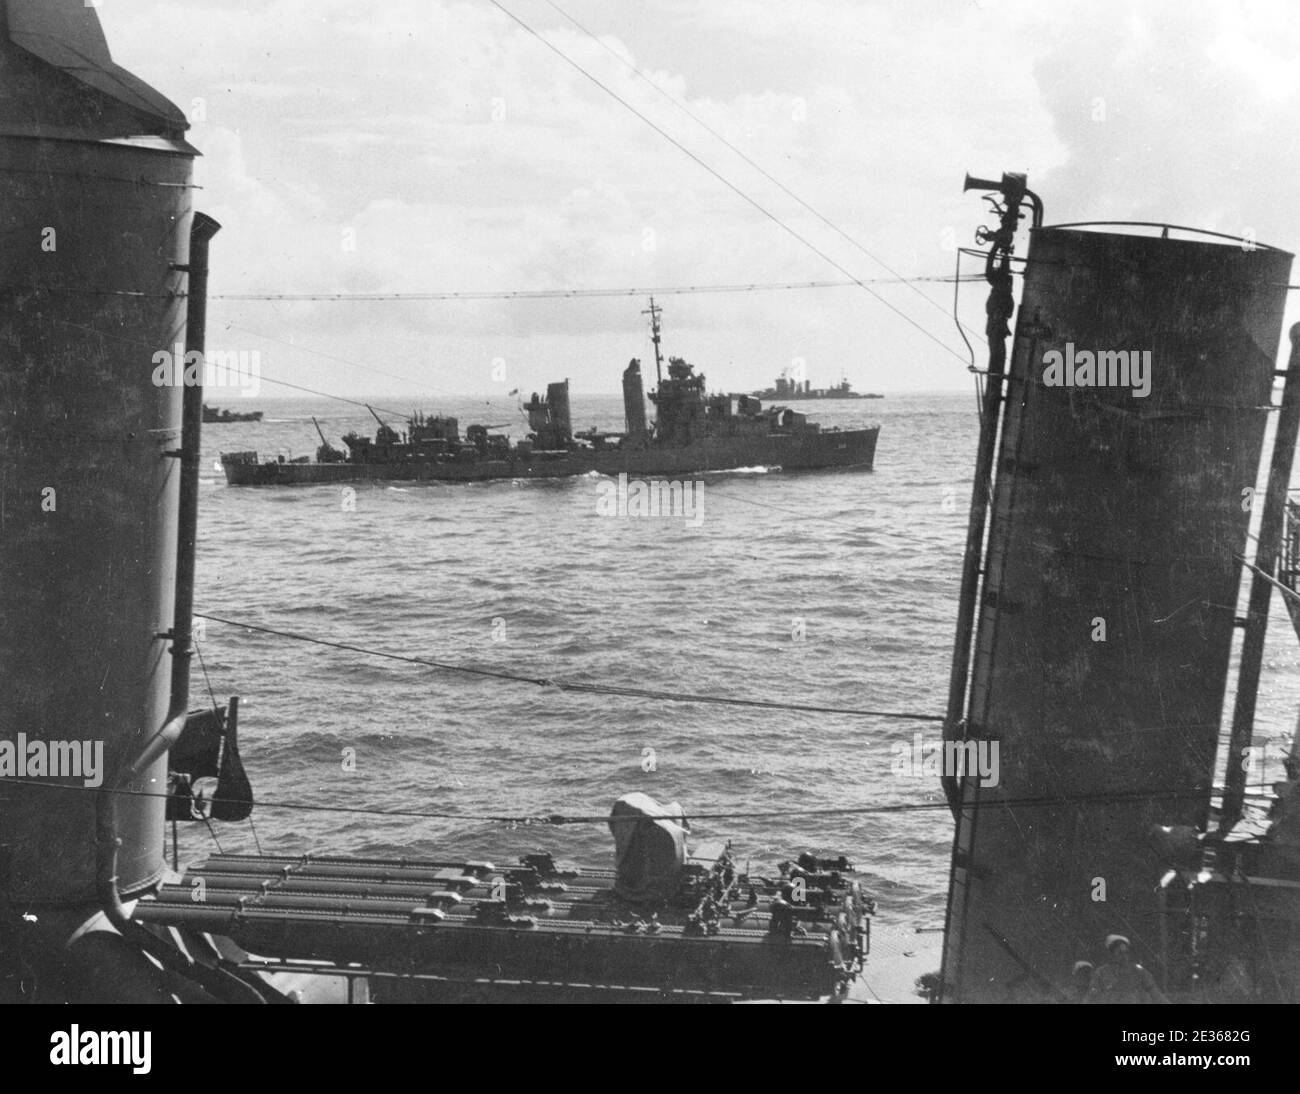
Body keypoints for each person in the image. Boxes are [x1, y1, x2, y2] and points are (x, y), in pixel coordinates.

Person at [1088, 935, 1169, 1004]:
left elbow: (1155, 993)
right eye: (1120, 953)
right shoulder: (1101, 973)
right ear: (1111, 954)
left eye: (1126, 952)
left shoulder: (1139, 972)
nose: (1124, 956)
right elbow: (1092, 997)